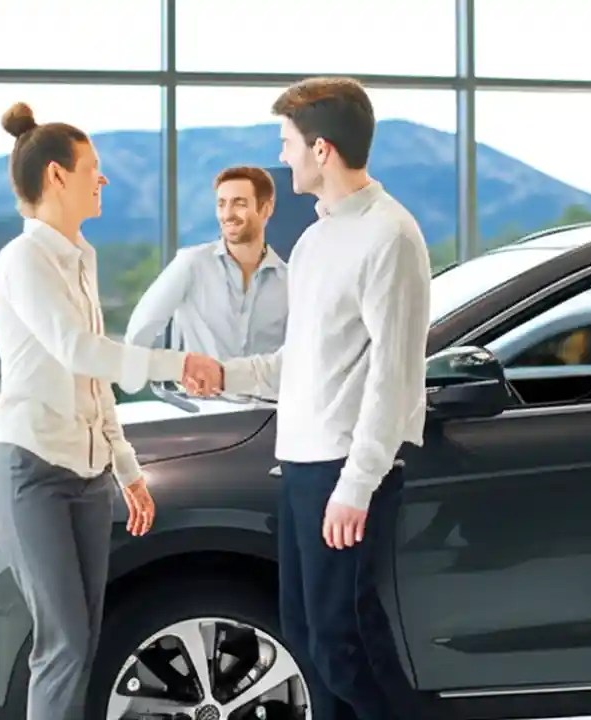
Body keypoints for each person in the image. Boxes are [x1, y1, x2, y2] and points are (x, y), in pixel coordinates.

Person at [194, 77, 431, 720]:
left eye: (288, 143)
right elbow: (298, 363)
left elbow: (395, 374)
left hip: (344, 470)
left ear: (321, 148)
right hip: (300, 465)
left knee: (343, 642)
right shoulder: (316, 240)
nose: (285, 156)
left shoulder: (391, 235)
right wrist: (225, 374)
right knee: (309, 640)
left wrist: (356, 486)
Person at [0, 101, 221, 720]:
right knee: (61, 644)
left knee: (84, 640)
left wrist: (126, 468)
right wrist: (176, 364)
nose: (104, 179)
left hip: (87, 476)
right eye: (93, 167)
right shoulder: (24, 259)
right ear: (57, 176)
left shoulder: (79, 257)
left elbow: (92, 380)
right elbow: (78, 349)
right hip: (30, 470)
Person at [125, 165, 289, 360]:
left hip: (268, 391)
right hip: (200, 391)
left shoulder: (289, 280)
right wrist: (172, 370)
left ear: (266, 209)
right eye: (221, 204)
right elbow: (138, 335)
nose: (227, 214)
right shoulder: (191, 264)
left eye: (239, 203)